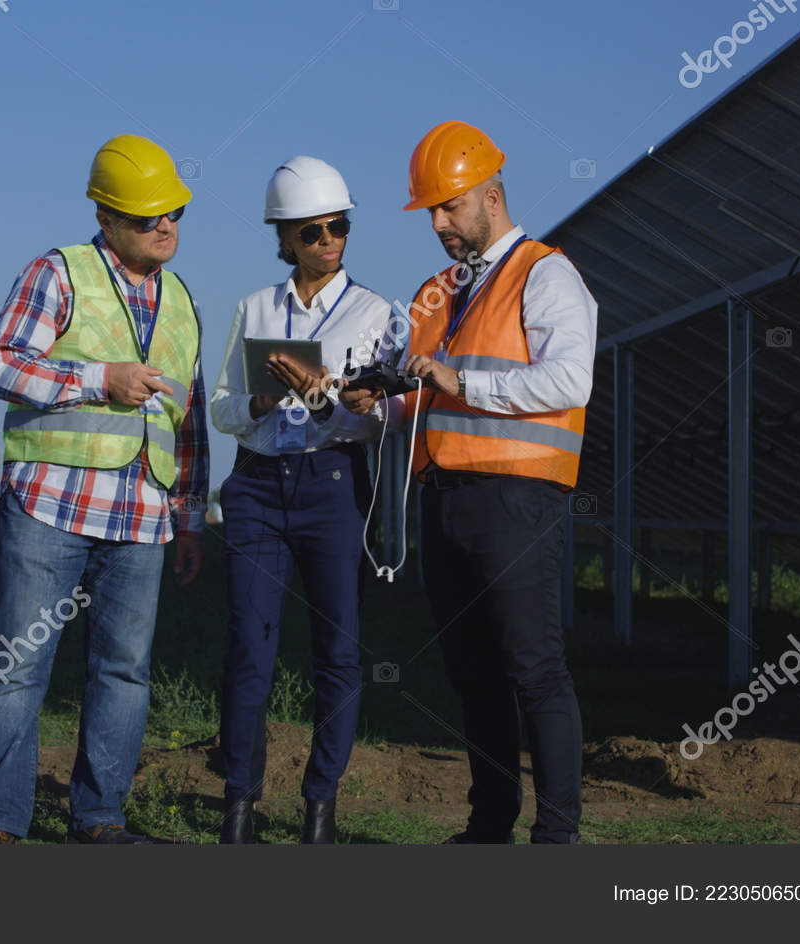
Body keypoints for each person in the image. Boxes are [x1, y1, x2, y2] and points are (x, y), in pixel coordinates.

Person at [342, 121, 598, 844]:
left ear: (491, 196)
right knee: (473, 673)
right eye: (430, 210)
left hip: (518, 498)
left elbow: (569, 380)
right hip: (445, 500)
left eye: (449, 207)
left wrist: (463, 382)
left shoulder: (546, 274)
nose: (438, 224)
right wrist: (376, 404)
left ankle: (557, 838)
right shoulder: (435, 294)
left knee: (534, 668)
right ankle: (489, 828)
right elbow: (423, 398)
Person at [0, 134, 208, 845]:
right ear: (105, 217)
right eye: (146, 216)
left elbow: (188, 421)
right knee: (17, 668)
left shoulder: (183, 301)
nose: (164, 226)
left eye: (174, 212)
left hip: (141, 517)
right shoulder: (58, 273)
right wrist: (99, 378)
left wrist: (191, 517)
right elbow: (2, 367)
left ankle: (99, 822)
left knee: (124, 673)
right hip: (50, 504)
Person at [209, 156, 392, 843]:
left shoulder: (377, 313)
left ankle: (320, 810)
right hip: (257, 484)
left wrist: (321, 402)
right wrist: (259, 402)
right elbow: (222, 407)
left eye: (338, 226)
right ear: (284, 237)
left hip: (331, 484)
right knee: (248, 647)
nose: (328, 240)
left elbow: (378, 422)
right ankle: (239, 807)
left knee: (337, 648)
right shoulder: (254, 308)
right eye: (312, 231)